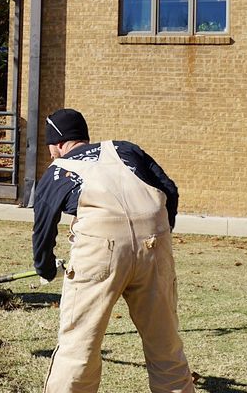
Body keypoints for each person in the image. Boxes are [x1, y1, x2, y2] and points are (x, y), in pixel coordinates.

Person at [32, 108, 194, 393]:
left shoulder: (57, 172)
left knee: (79, 346)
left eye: (50, 148)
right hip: (155, 246)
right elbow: (169, 190)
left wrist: (45, 268)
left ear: (57, 144)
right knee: (165, 344)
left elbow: (43, 229)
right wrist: (160, 236)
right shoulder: (125, 150)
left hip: (100, 252)